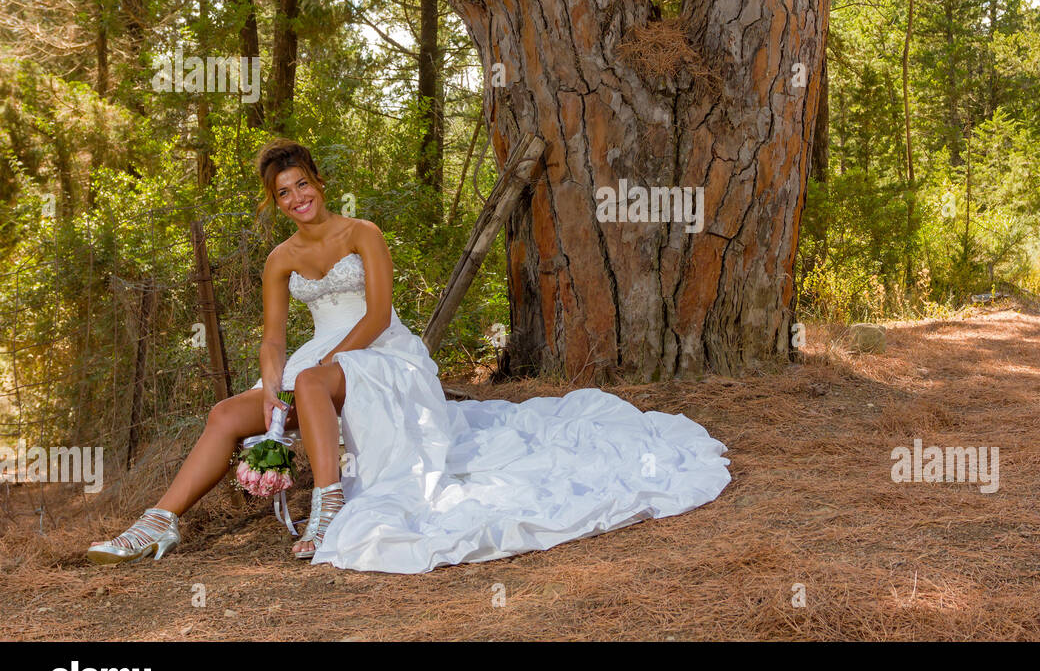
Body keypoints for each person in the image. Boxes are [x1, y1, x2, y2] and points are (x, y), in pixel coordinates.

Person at [87, 139, 731, 572]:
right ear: (275, 200)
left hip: (381, 350)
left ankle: (330, 508)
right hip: (317, 353)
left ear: (318, 182)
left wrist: (312, 371)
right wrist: (272, 378)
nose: (296, 198)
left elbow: (373, 313)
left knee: (313, 385)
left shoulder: (360, 233)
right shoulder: (279, 259)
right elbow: (275, 335)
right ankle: (160, 523)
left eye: (302, 184)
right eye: (283, 193)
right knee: (230, 414)